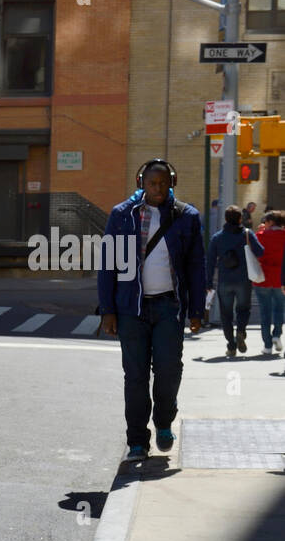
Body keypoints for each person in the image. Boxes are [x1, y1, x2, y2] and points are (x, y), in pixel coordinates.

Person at [98, 159, 205, 460]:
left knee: (169, 370)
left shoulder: (187, 216)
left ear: (172, 182)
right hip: (131, 309)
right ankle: (136, 441)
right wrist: (107, 308)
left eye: (163, 183)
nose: (157, 189)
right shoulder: (122, 215)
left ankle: (163, 421)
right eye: (151, 183)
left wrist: (196, 309)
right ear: (141, 182)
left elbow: (197, 265)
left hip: (169, 307)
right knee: (135, 376)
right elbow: (109, 263)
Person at [208, 204, 265, 358]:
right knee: (243, 309)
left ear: (226, 219)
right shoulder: (247, 234)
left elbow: (210, 261)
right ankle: (240, 331)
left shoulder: (217, 237)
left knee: (226, 315)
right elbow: (260, 251)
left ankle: (231, 346)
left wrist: (208, 283)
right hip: (243, 279)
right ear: (240, 218)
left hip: (224, 280)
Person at [255, 210, 285, 353]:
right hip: (280, 279)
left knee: (265, 311)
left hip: (263, 278)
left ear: (270, 222)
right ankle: (277, 334)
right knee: (280, 308)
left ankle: (267, 345)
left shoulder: (260, 236)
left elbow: (255, 253)